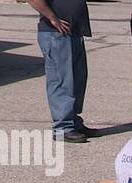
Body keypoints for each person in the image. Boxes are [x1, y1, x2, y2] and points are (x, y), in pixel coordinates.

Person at [27, 0, 97, 143]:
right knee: (61, 80)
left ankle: (74, 123)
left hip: (74, 31)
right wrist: (53, 18)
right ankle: (62, 128)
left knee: (77, 80)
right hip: (56, 33)